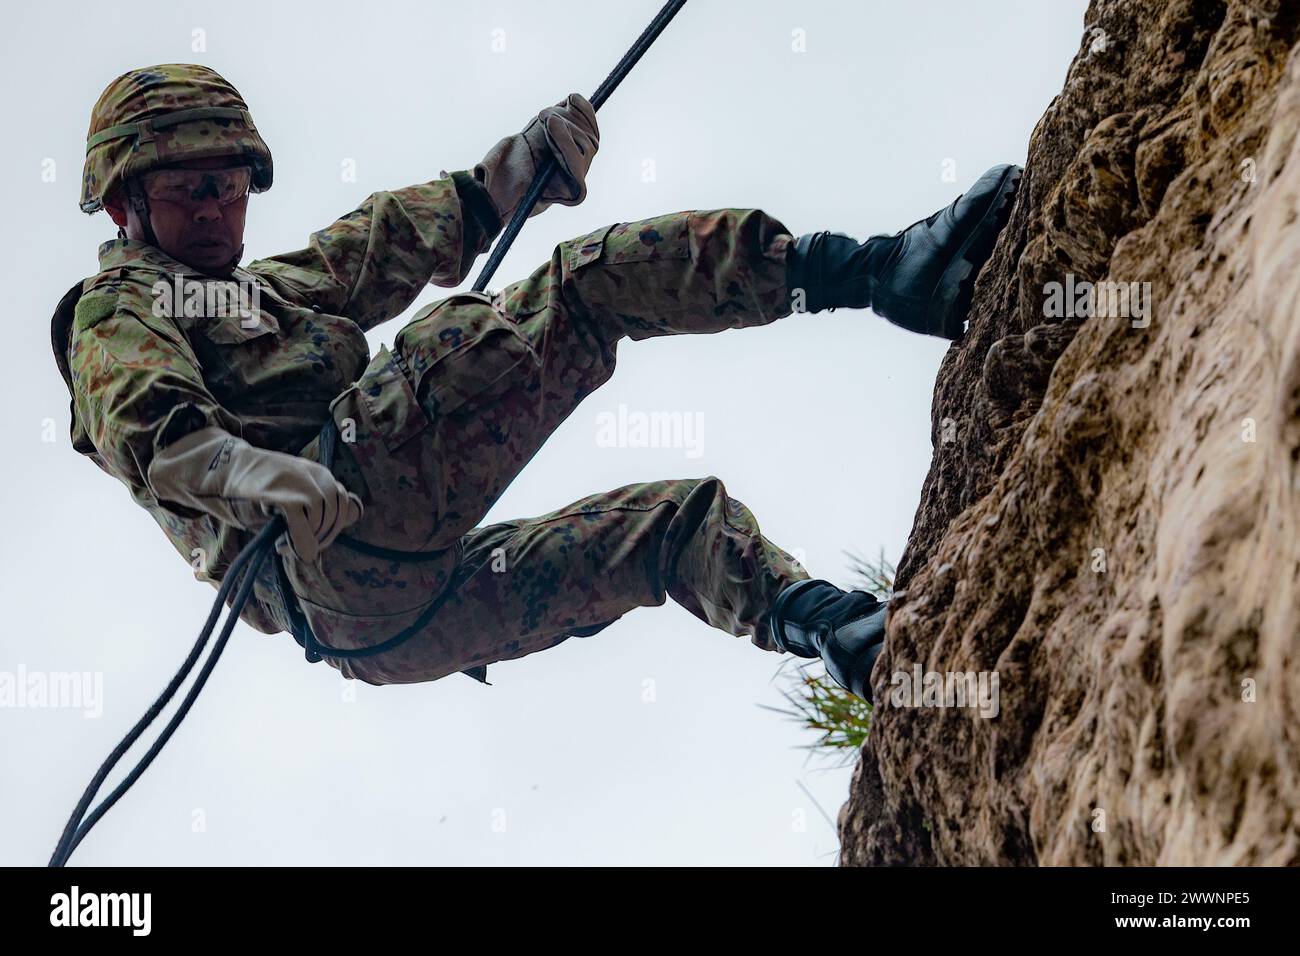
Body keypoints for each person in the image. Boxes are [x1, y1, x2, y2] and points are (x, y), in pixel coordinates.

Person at [53, 64, 1020, 703]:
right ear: (128, 206)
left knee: (666, 530)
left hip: (392, 625)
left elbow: (384, 240)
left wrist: (517, 171)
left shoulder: (274, 291)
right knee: (588, 285)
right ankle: (887, 271)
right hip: (330, 549)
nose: (220, 210)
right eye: (190, 192)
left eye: (231, 186)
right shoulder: (120, 304)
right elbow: (146, 424)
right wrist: (255, 475)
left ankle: (841, 634)